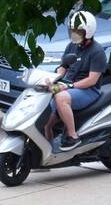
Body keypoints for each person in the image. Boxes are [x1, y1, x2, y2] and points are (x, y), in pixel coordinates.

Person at [41, 11, 107, 152]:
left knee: (60, 97)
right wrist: (52, 79)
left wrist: (68, 85)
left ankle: (73, 136)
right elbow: (63, 67)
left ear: (88, 32)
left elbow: (91, 80)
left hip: (88, 91)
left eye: (78, 31)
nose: (73, 34)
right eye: (72, 30)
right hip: (68, 86)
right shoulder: (72, 46)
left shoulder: (97, 51)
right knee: (45, 123)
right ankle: (46, 154)